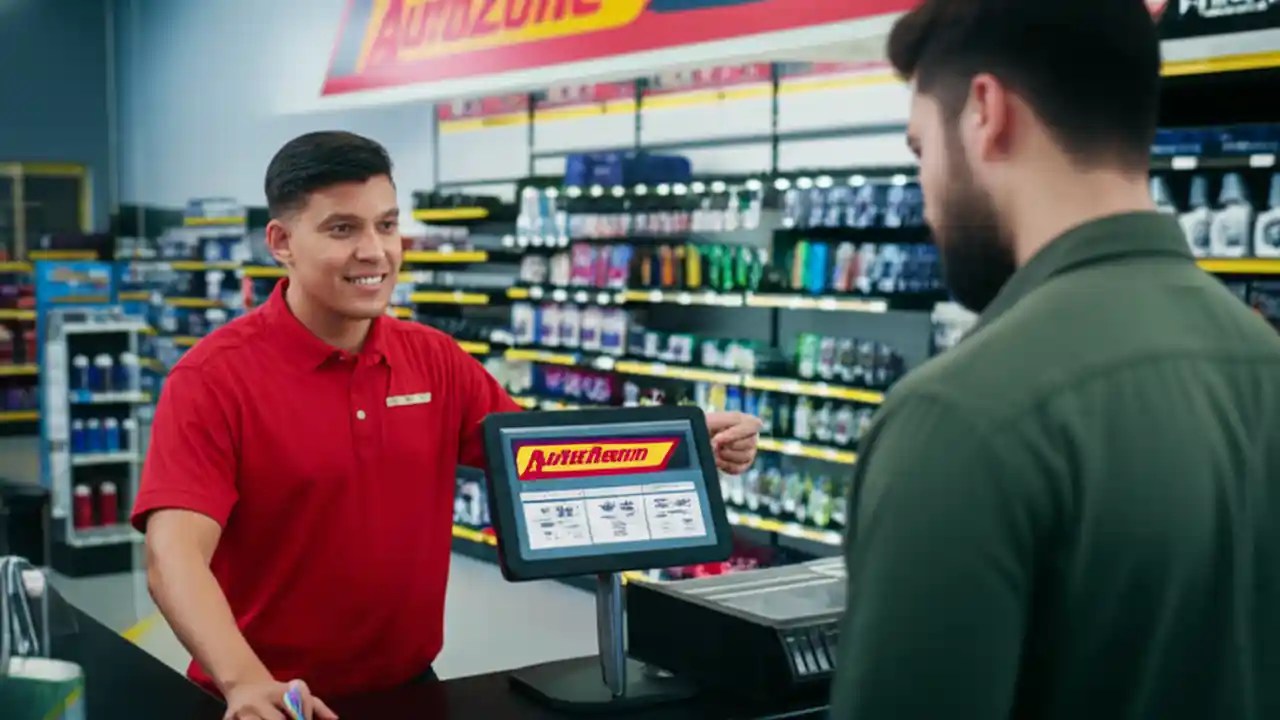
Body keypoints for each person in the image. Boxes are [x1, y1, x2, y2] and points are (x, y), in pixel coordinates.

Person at [132, 131, 762, 720]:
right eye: (342, 229)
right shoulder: (213, 378)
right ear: (282, 242)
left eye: (387, 224)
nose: (374, 251)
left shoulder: (433, 358)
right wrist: (245, 681)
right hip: (267, 703)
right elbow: (174, 556)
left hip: (410, 689)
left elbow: (543, 455)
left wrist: (681, 443)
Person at [830, 1, 1280, 718]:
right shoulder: (1263, 357)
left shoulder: (960, 417)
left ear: (985, 112)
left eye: (921, 150)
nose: (925, 201)